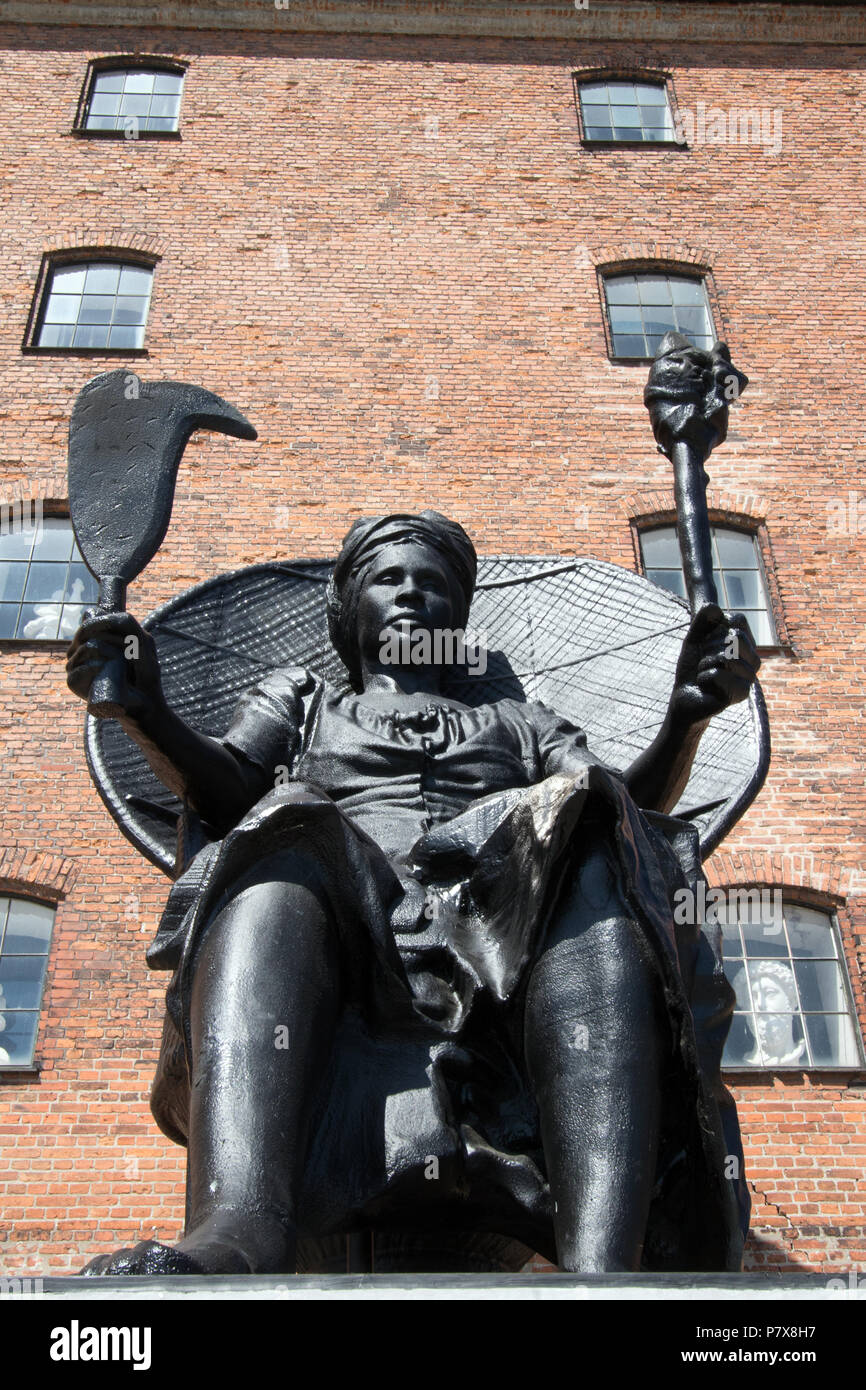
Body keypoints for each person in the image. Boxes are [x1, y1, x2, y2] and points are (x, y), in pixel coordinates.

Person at [67, 510, 760, 1275]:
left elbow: (620, 817)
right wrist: (147, 710)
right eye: (388, 578)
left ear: (455, 618)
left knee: (592, 839)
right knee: (282, 832)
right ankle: (237, 1229)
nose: (410, 595)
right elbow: (228, 786)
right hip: (342, 935)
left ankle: (604, 1266)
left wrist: (684, 723)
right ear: (346, 608)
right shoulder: (305, 703)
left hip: (500, 944)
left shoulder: (517, 723)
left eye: (432, 585)